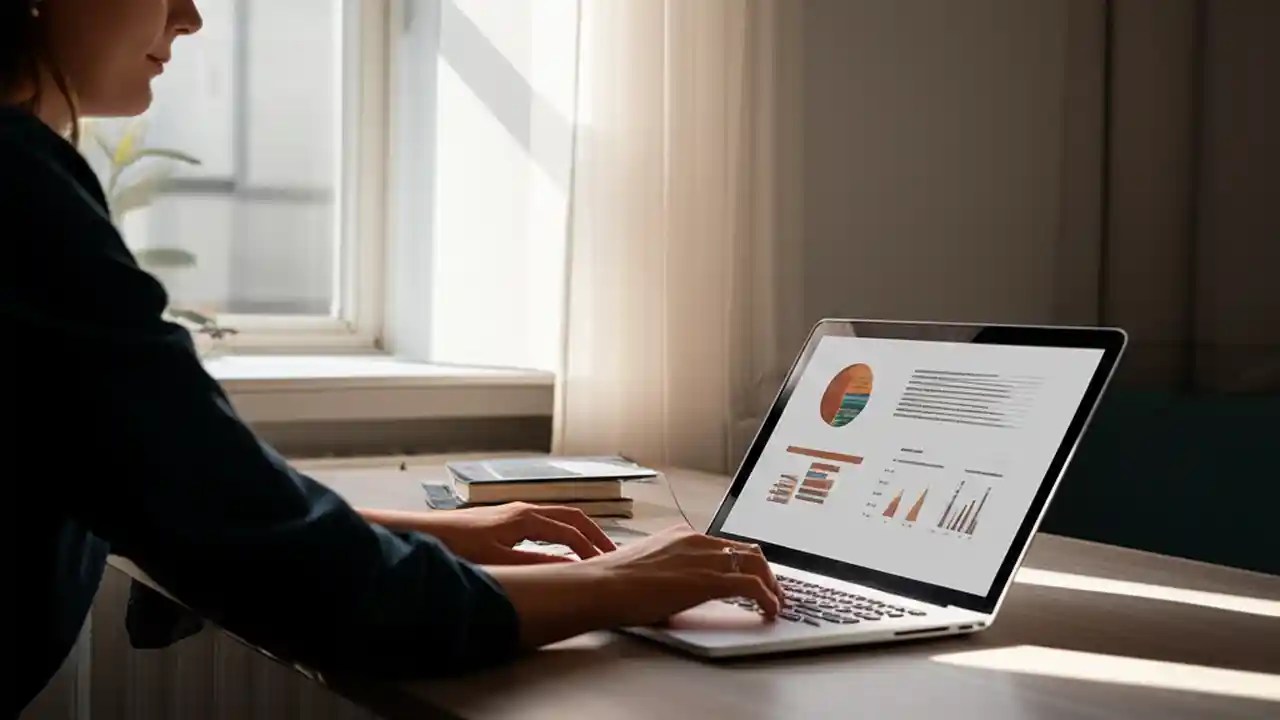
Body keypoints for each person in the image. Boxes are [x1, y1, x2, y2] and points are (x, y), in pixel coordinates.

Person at [2, 0, 782, 714]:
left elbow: (156, 490)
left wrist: (432, 533)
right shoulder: (18, 191)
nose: (189, 16)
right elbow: (288, 573)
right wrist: (610, 582)